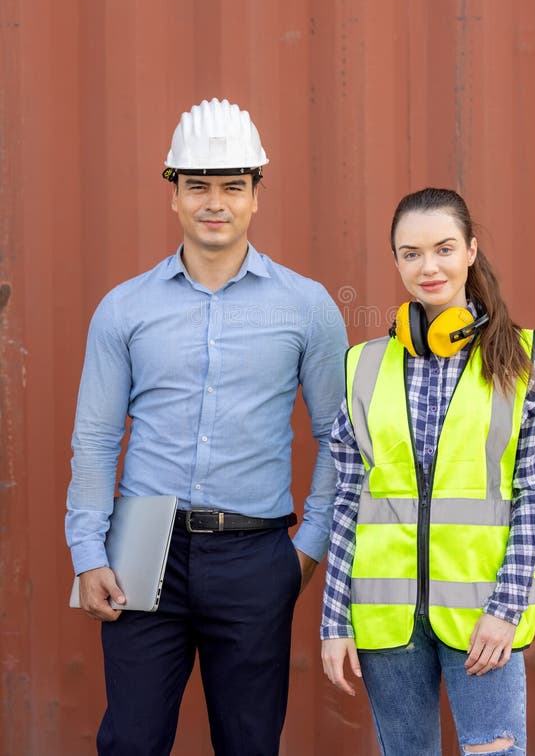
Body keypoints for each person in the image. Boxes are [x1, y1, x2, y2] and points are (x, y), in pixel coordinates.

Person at [66, 98, 348, 756]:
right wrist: (88, 554)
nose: (214, 202)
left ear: (256, 194)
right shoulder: (124, 309)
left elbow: (340, 439)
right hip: (141, 549)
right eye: (198, 186)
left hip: (256, 555)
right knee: (130, 743)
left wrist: (305, 552)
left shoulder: (307, 308)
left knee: (250, 744)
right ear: (174, 194)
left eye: (232, 186)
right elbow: (96, 439)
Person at [320, 187, 535, 756]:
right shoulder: (364, 365)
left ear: (472, 251)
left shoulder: (520, 358)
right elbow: (349, 499)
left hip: (482, 619)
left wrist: (506, 610)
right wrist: (334, 621)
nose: (429, 267)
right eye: (411, 253)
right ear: (396, 261)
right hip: (386, 621)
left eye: (444, 248)